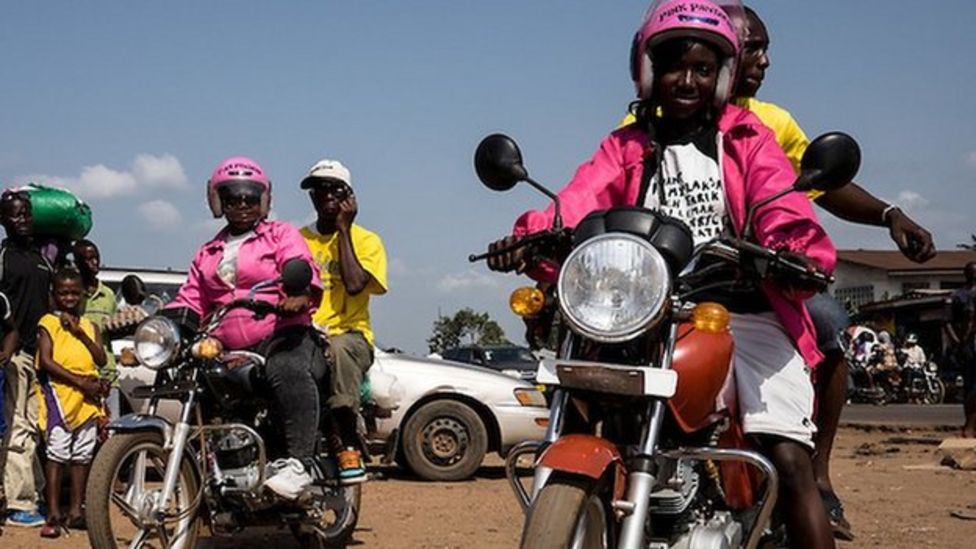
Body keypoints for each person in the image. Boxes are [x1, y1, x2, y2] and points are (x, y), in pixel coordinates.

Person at [489, 1, 835, 546]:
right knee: (580, 398)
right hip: (642, 312)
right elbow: (579, 199)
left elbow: (777, 199)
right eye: (675, 66)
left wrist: (789, 247)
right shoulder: (626, 144)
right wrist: (533, 236)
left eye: (703, 68)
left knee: (790, 458)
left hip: (743, 310)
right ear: (648, 70)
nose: (688, 80)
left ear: (723, 75)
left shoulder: (747, 138)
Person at [168, 156, 326, 500]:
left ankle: (299, 464)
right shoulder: (208, 251)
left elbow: (298, 263)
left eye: (250, 197)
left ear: (263, 200)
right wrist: (161, 322)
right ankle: (218, 465)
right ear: (218, 200)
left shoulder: (280, 234)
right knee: (197, 380)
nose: (242, 204)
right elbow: (190, 298)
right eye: (232, 197)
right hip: (227, 346)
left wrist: (298, 293)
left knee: (286, 367)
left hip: (282, 334)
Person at [299, 159, 388, 485]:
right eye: (318, 189)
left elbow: (354, 284)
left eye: (334, 189)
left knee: (338, 350)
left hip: (350, 336)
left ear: (348, 196)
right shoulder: (297, 239)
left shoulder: (367, 241)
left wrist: (344, 230)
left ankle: (347, 439)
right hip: (304, 334)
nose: (325, 195)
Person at [35, 267, 107, 538]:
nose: (69, 298)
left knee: (83, 454)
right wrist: (79, 382)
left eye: (74, 293)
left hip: (87, 400)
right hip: (61, 394)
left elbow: (100, 358)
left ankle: (76, 511)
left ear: (83, 294)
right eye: (63, 293)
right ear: (54, 294)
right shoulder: (48, 323)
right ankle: (53, 512)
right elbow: (47, 361)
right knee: (57, 452)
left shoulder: (90, 326)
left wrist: (80, 333)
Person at [0, 190, 51, 528]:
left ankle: (33, 494)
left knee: (35, 427)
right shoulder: (3, 258)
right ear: (3, 220)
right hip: (14, 354)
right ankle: (20, 502)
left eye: (27, 214)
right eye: (16, 214)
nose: (23, 220)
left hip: (40, 356)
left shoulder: (41, 258)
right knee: (18, 426)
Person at [72, 239, 120, 419]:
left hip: (107, 373)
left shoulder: (107, 295)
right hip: (80, 373)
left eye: (96, 258)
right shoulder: (73, 296)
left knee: (111, 425)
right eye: (88, 259)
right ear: (78, 263)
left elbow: (114, 330)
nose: (94, 263)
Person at [946, 262, 976, 437]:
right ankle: (970, 425)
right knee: (971, 385)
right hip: (968, 344)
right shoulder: (957, 296)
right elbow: (947, 322)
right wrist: (958, 343)